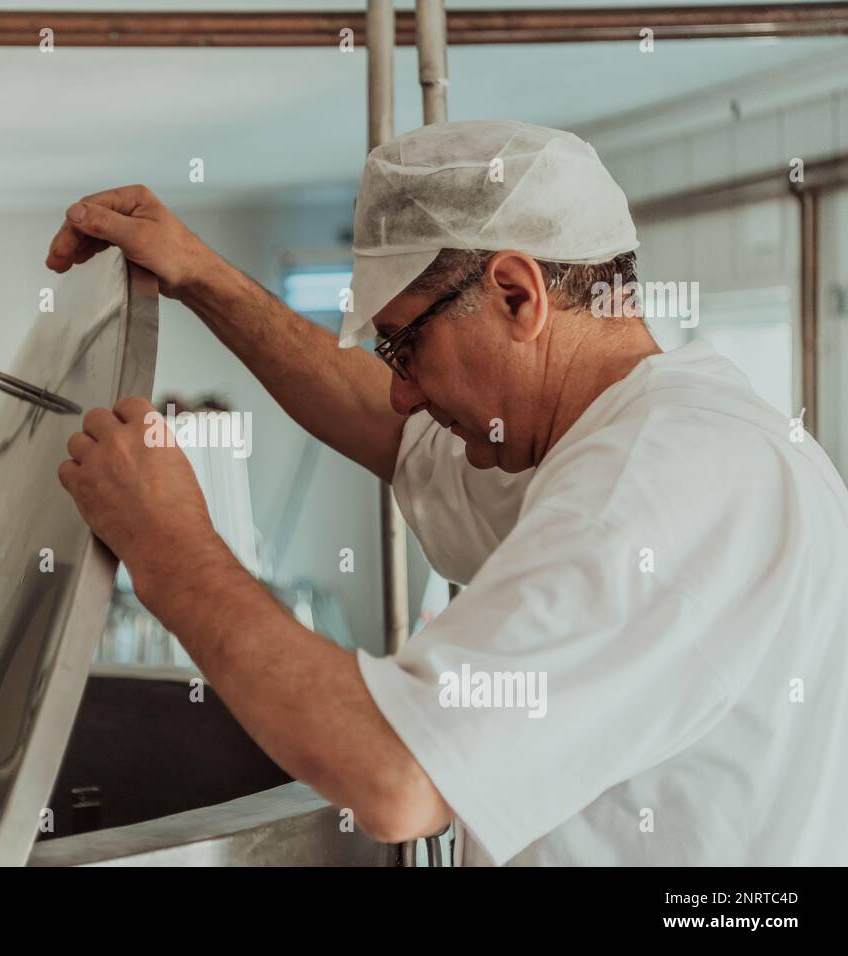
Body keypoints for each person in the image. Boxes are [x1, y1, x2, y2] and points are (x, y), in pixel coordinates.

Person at [45, 120, 848, 865]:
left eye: (403, 346)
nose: (400, 392)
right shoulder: (617, 436)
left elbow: (399, 777)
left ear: (516, 295)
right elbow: (394, 432)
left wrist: (169, 548)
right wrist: (204, 276)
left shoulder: (650, 488)